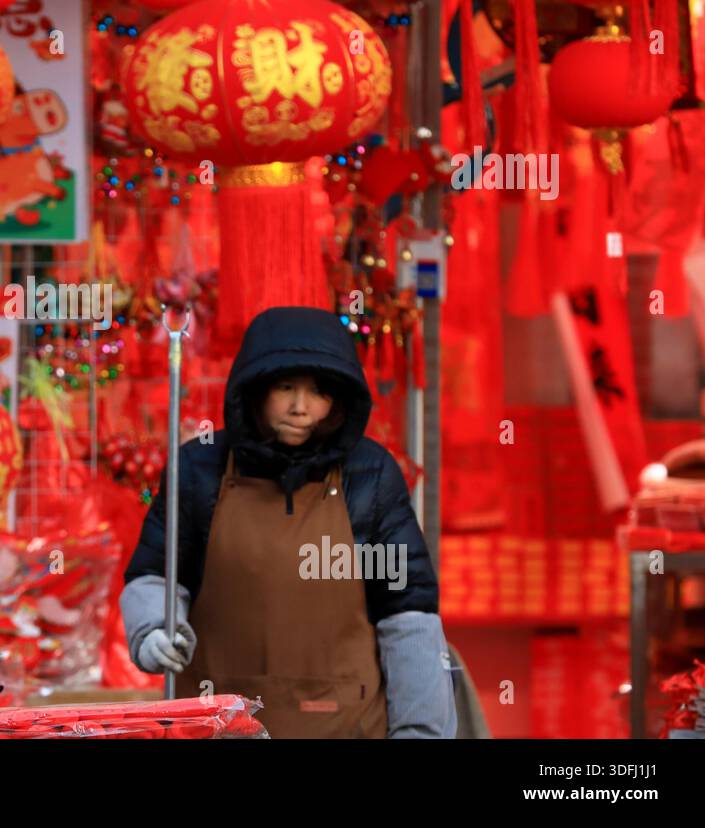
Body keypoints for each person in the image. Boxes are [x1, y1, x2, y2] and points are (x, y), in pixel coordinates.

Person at [121, 306, 456, 737]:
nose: (301, 408)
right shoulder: (199, 468)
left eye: (318, 392)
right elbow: (156, 576)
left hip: (347, 727)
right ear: (255, 391)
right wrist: (152, 632)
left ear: (338, 401)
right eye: (285, 388)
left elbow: (406, 614)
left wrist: (421, 731)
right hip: (218, 726)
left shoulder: (369, 476)